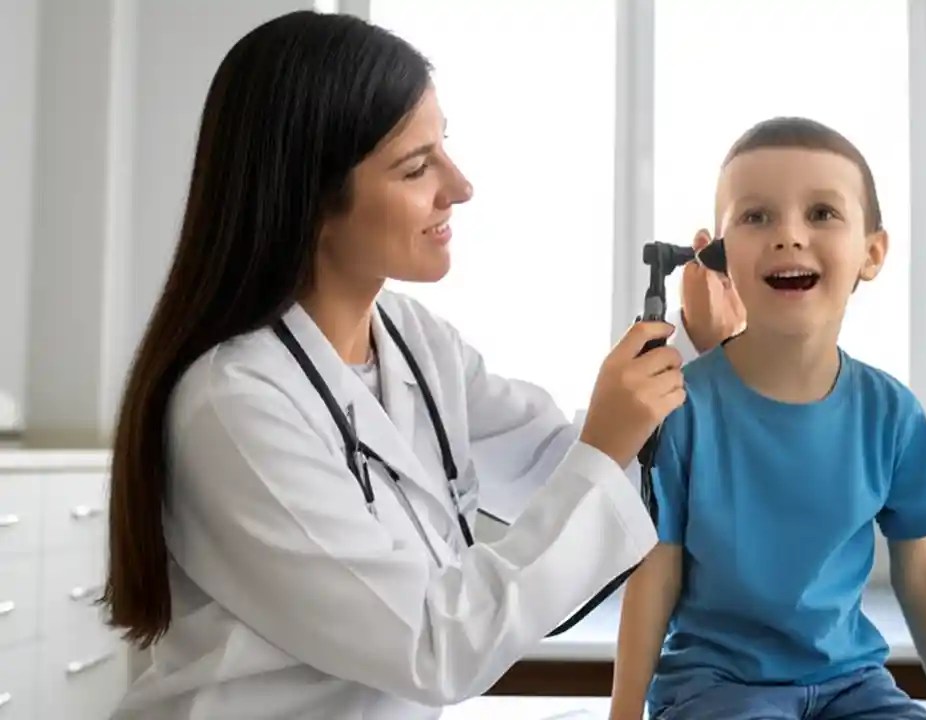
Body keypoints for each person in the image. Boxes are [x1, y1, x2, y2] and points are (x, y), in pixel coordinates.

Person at [102, 11, 741, 719]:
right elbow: (436, 647)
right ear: (309, 199)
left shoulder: (411, 339)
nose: (459, 187)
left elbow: (556, 464)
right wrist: (609, 441)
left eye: (444, 149)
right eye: (415, 167)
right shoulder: (235, 406)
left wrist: (693, 345)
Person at [609, 117, 926, 720]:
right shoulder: (681, 408)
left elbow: (922, 573)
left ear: (872, 252)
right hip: (715, 685)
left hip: (852, 684)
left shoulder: (892, 414)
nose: (789, 236)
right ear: (718, 256)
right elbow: (656, 571)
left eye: (822, 214)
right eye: (756, 217)